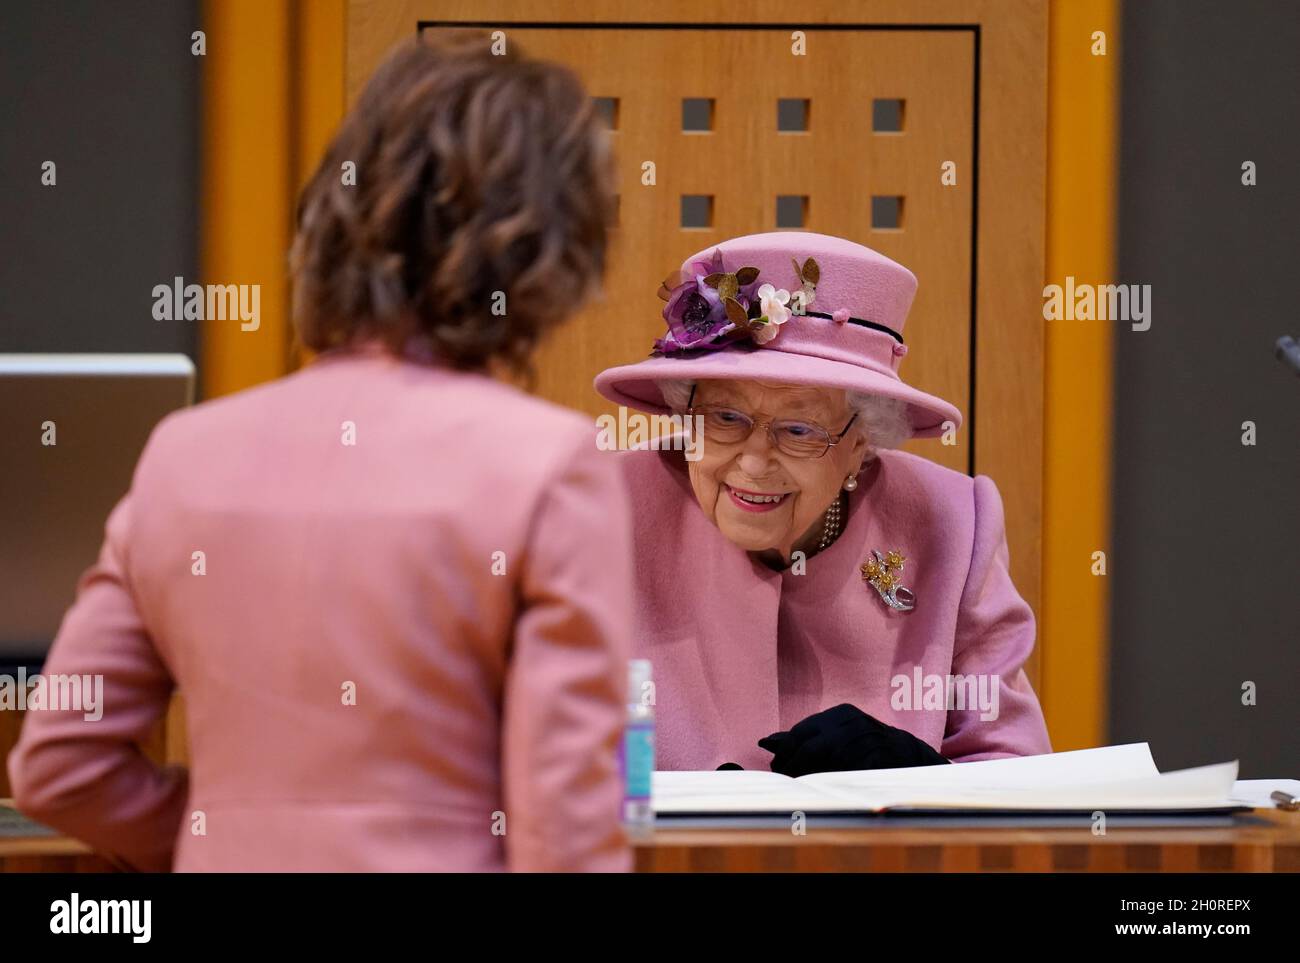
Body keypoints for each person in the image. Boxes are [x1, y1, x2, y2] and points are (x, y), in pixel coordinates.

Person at [9, 32, 633, 872]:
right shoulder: (550, 466)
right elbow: (566, 840)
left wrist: (225, 833)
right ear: (552, 252)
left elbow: (60, 766)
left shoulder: (182, 456)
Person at [594, 230, 1052, 773]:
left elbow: (1021, 779)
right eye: (724, 418)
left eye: (799, 429)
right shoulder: (600, 514)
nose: (754, 462)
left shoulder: (953, 524)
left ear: (862, 443)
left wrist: (924, 778)